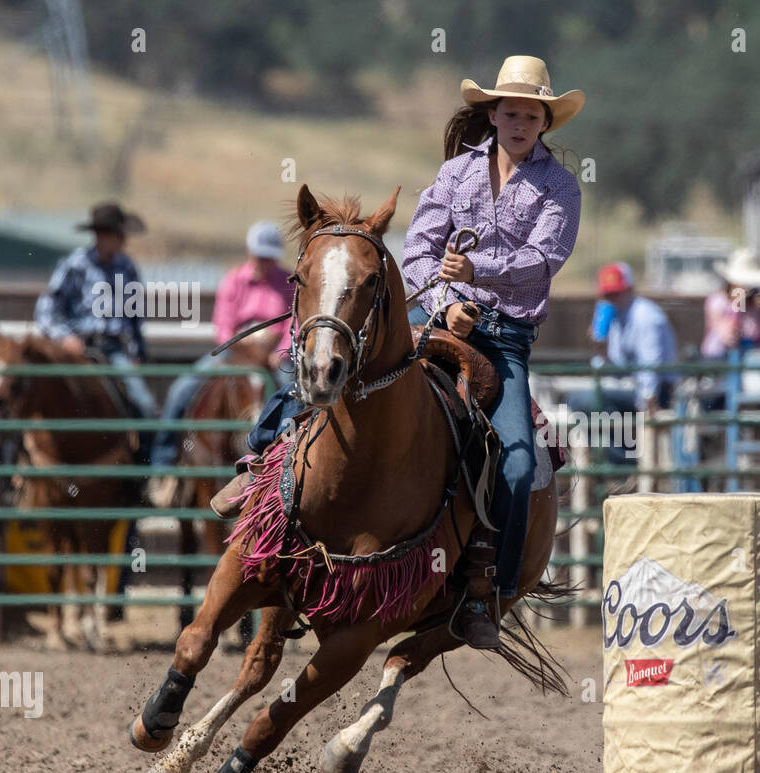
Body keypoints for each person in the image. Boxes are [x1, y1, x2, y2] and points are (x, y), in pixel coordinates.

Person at [210, 54, 584, 651]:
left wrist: (476, 279)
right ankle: (261, 463)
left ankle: (486, 584)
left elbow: (543, 261)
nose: (519, 121)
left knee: (517, 461)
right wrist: (446, 297)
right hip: (433, 312)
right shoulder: (457, 175)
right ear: (492, 114)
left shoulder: (559, 187)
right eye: (510, 110)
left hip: (504, 337)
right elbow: (417, 249)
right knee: (325, 366)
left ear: (544, 122)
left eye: (531, 113)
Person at [148, 221, 293, 502]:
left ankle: (293, 461)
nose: (264, 261)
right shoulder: (233, 281)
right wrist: (242, 347)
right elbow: (223, 328)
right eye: (260, 255)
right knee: (182, 389)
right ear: (250, 253)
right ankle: (164, 466)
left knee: (295, 392)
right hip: (234, 353)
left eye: (268, 256)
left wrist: (281, 351)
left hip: (273, 355)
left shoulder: (287, 283)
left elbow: (291, 324)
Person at [34, 201, 157, 464]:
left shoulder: (127, 267)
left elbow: (135, 317)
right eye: (119, 234)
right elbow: (45, 309)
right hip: (77, 349)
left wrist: (137, 354)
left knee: (145, 406)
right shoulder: (74, 265)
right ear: (103, 235)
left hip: (113, 350)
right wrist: (64, 337)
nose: (124, 240)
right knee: (40, 399)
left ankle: (143, 473)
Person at [567, 262, 678, 464]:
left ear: (630, 290)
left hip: (658, 391)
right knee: (584, 404)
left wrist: (648, 399)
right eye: (608, 294)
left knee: (584, 401)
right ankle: (622, 458)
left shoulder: (646, 316)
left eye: (616, 293)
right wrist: (602, 351)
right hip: (632, 387)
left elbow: (649, 365)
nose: (612, 299)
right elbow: (615, 368)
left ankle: (624, 461)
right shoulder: (616, 316)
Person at [701, 248, 760, 360]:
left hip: (751, 359)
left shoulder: (756, 305)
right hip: (718, 358)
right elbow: (730, 337)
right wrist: (737, 306)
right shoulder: (718, 301)